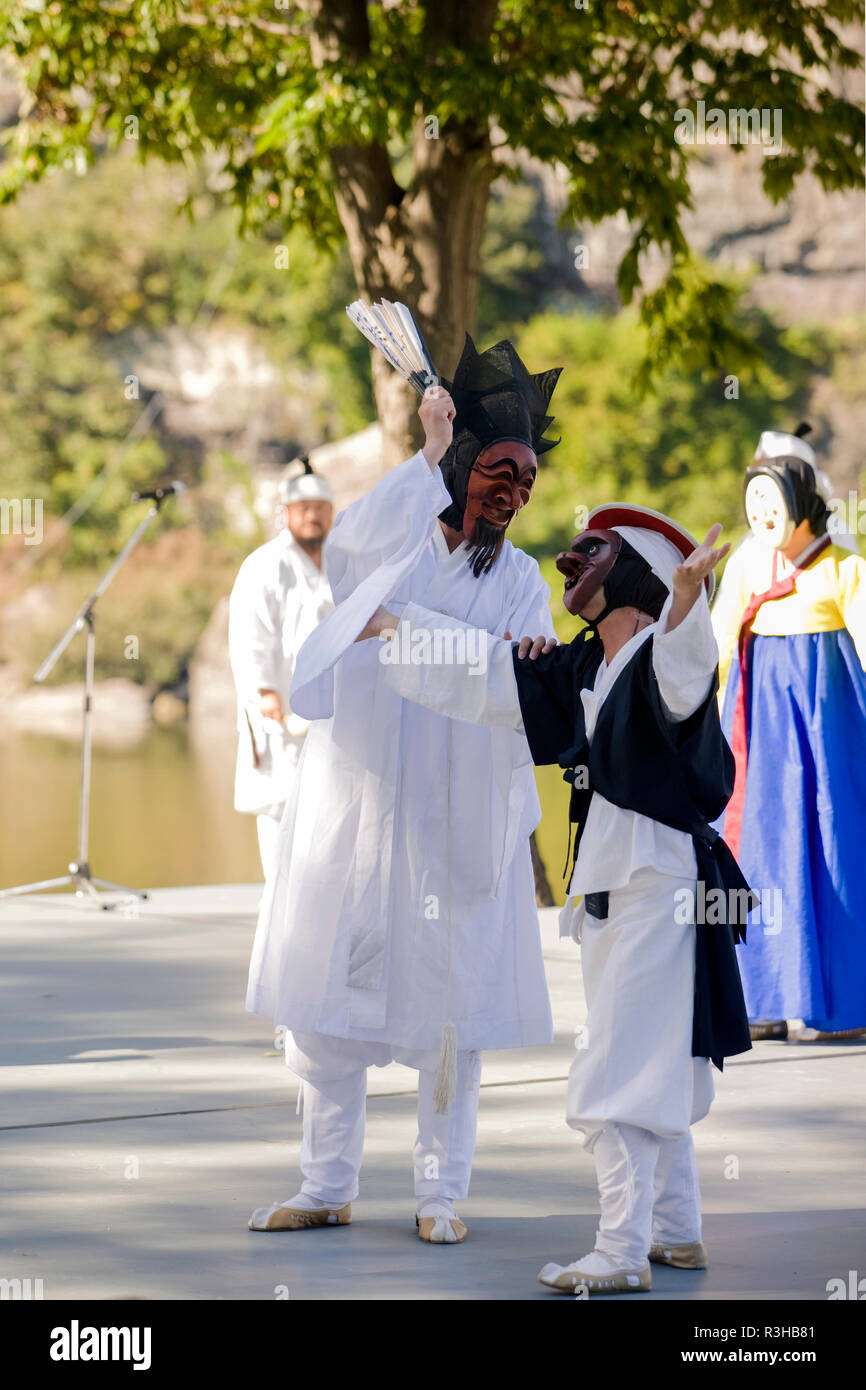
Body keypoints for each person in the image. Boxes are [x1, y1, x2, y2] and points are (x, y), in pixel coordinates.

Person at [357, 503, 753, 1292]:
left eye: (592, 555)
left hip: (656, 883)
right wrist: (393, 627)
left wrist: (685, 599)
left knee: (615, 1067)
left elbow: (683, 666)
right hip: (622, 884)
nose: (572, 567)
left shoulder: (660, 655)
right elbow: (488, 672)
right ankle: (676, 1232)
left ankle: (619, 1251)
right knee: (657, 1055)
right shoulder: (585, 667)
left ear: (634, 577)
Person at [245, 336, 563, 1243]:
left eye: (529, 482)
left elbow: (518, 687)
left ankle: (440, 1196)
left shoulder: (524, 582)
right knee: (329, 1007)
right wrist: (423, 452)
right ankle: (324, 1183)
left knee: (449, 1022)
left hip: (456, 814)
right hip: (366, 795)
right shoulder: (395, 545)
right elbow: (351, 562)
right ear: (461, 466)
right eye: (500, 470)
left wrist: (415, 635)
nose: (515, 491)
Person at [711, 425, 866, 1042]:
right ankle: (764, 1000)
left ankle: (843, 1007)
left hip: (830, 739)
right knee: (762, 854)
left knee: (836, 851)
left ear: (802, 499)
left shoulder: (845, 569)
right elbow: (720, 642)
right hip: (762, 738)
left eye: (772, 502)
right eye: (753, 503)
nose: (761, 515)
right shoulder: (748, 560)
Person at [228, 457, 334, 882]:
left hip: (328, 715)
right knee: (281, 813)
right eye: (303, 507)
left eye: (319, 507)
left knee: (326, 822)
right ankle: (279, 920)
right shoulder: (264, 565)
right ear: (286, 513)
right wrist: (264, 691)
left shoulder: (339, 564)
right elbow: (249, 637)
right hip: (280, 715)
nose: (312, 515)